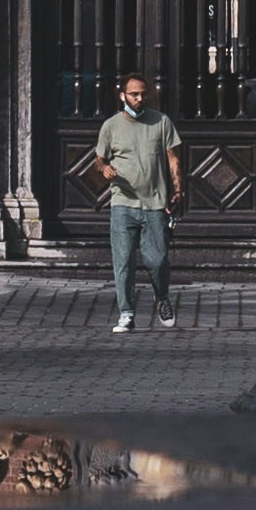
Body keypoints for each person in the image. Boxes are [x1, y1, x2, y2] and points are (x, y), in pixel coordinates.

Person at [92, 72, 183, 334]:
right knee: (123, 261)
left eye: (143, 93)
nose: (140, 98)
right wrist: (105, 168)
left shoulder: (161, 122)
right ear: (123, 96)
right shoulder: (111, 126)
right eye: (134, 94)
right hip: (122, 202)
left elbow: (172, 158)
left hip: (155, 202)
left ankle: (161, 296)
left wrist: (178, 189)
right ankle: (127, 313)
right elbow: (99, 159)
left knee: (158, 259)